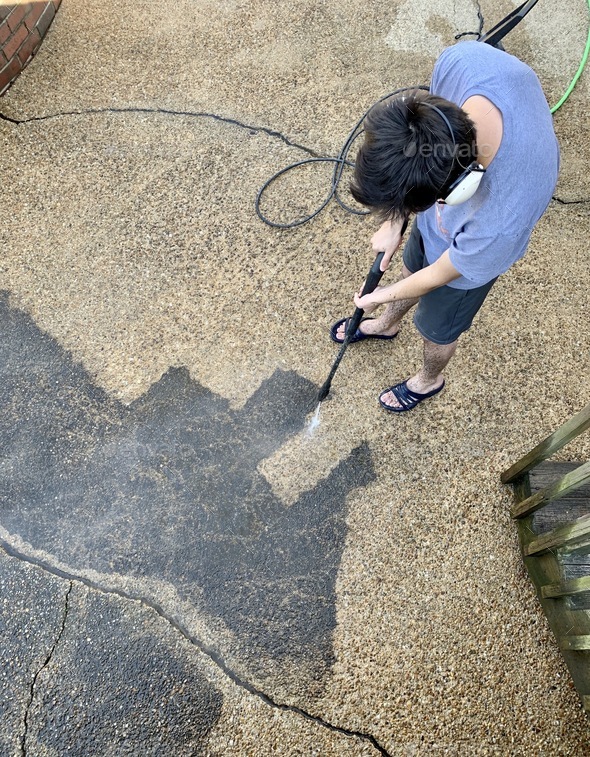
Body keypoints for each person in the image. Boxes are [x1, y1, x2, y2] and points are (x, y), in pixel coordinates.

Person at [331, 40, 559, 412]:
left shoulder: (503, 216)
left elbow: (442, 273)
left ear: (455, 189)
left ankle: (427, 380)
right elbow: (412, 153)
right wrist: (395, 222)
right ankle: (387, 325)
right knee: (410, 266)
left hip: (466, 263)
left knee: (437, 330)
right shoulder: (460, 64)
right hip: (445, 212)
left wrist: (378, 296)